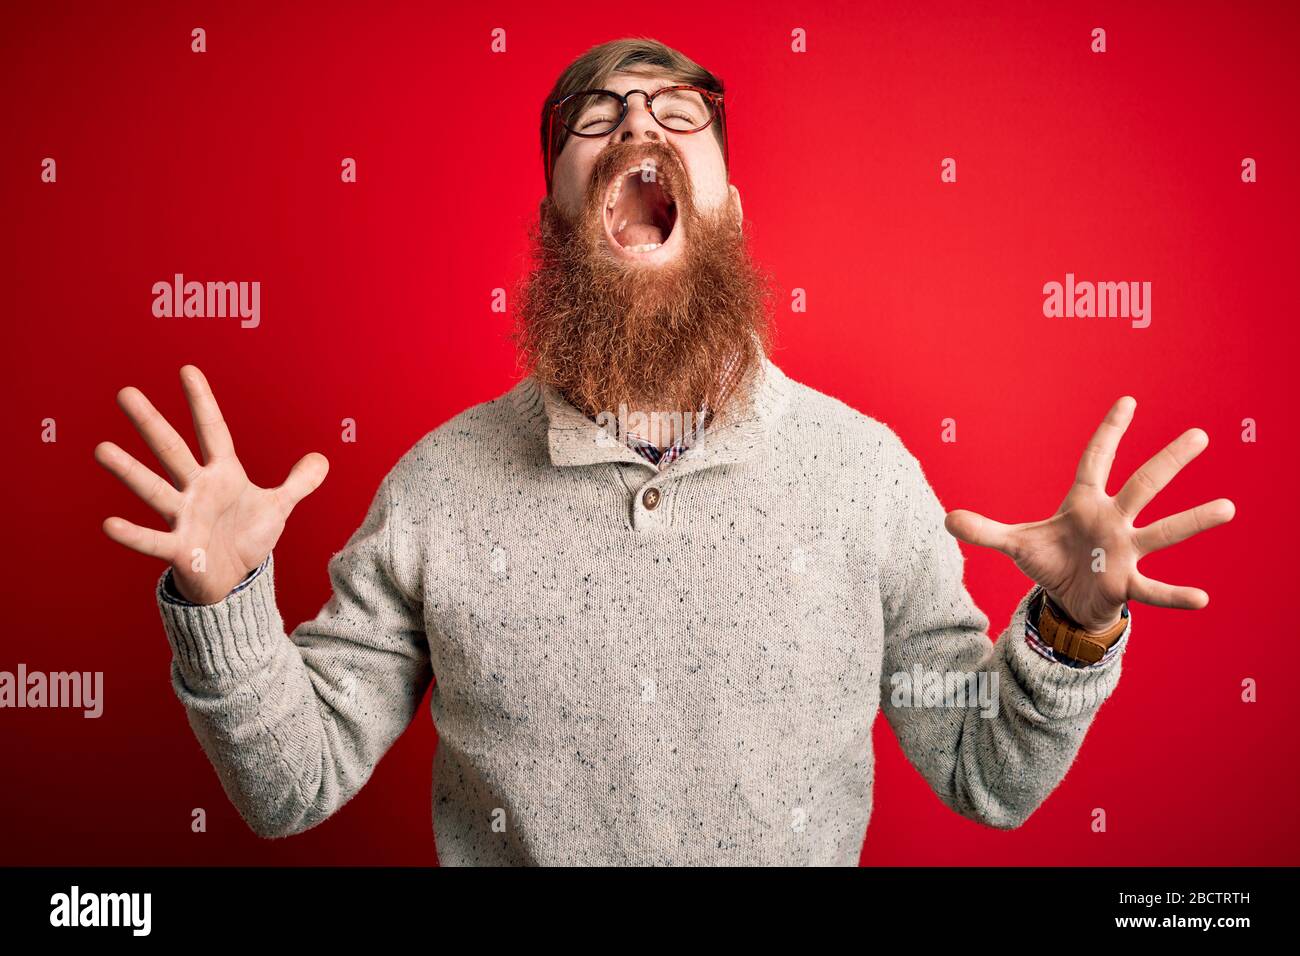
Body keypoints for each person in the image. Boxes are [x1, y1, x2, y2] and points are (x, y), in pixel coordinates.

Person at [93, 38, 1235, 866]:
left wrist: (1072, 628)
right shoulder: (439, 486)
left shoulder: (864, 473)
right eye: (599, 117)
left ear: (728, 212)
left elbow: (985, 772)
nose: (639, 126)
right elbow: (293, 786)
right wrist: (230, 601)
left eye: (678, 114)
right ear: (554, 226)